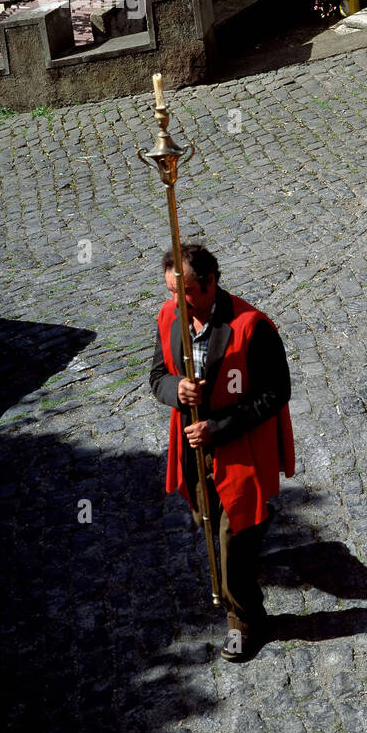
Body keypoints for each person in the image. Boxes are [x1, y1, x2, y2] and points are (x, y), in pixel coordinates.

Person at [149, 243, 295, 663]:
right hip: (194, 449)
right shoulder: (167, 317)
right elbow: (157, 375)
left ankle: (245, 621)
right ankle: (250, 545)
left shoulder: (252, 326)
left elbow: (276, 392)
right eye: (172, 292)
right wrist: (175, 389)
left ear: (212, 282)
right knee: (207, 523)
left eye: (187, 292)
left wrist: (219, 427)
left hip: (239, 450)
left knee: (233, 540)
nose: (178, 302)